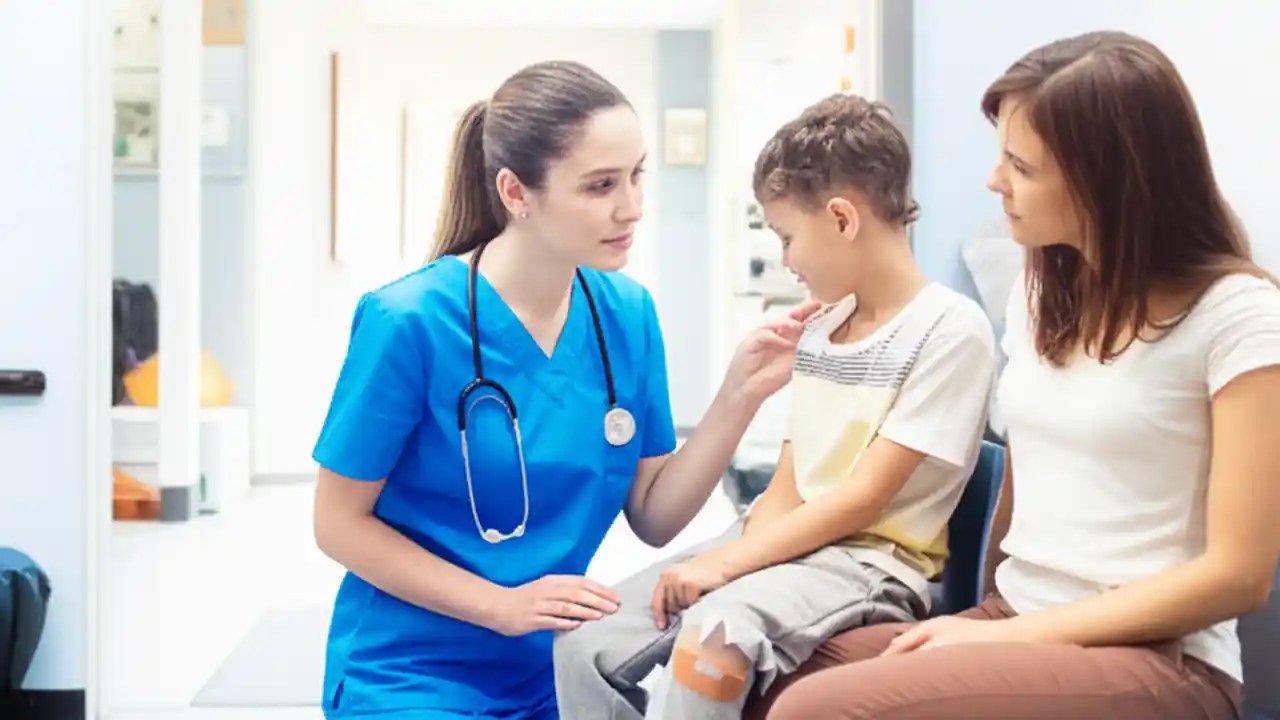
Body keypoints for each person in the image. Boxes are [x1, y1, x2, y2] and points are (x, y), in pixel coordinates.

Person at [747, 30, 1280, 720]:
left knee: (813, 711)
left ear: (1106, 180)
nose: (995, 181)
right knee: (752, 668)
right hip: (1016, 620)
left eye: (1020, 167)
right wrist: (978, 620)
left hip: (1160, 658)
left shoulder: (1239, 317)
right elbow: (1019, 489)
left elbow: (1239, 577)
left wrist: (998, 639)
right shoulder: (1041, 294)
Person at [310, 60, 815, 719]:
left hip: (557, 664)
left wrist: (739, 396)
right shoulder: (409, 322)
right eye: (601, 185)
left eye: (637, 175)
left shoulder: (625, 315)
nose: (631, 206)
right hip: (412, 672)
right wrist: (501, 605)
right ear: (516, 193)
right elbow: (336, 524)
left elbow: (654, 515)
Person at [553, 93, 997, 719]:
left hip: (868, 563)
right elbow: (793, 479)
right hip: (788, 541)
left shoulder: (951, 331)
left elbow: (861, 498)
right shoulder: (824, 327)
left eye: (788, 237)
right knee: (586, 641)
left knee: (714, 639)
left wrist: (732, 567)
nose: (785, 260)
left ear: (843, 219)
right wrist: (730, 554)